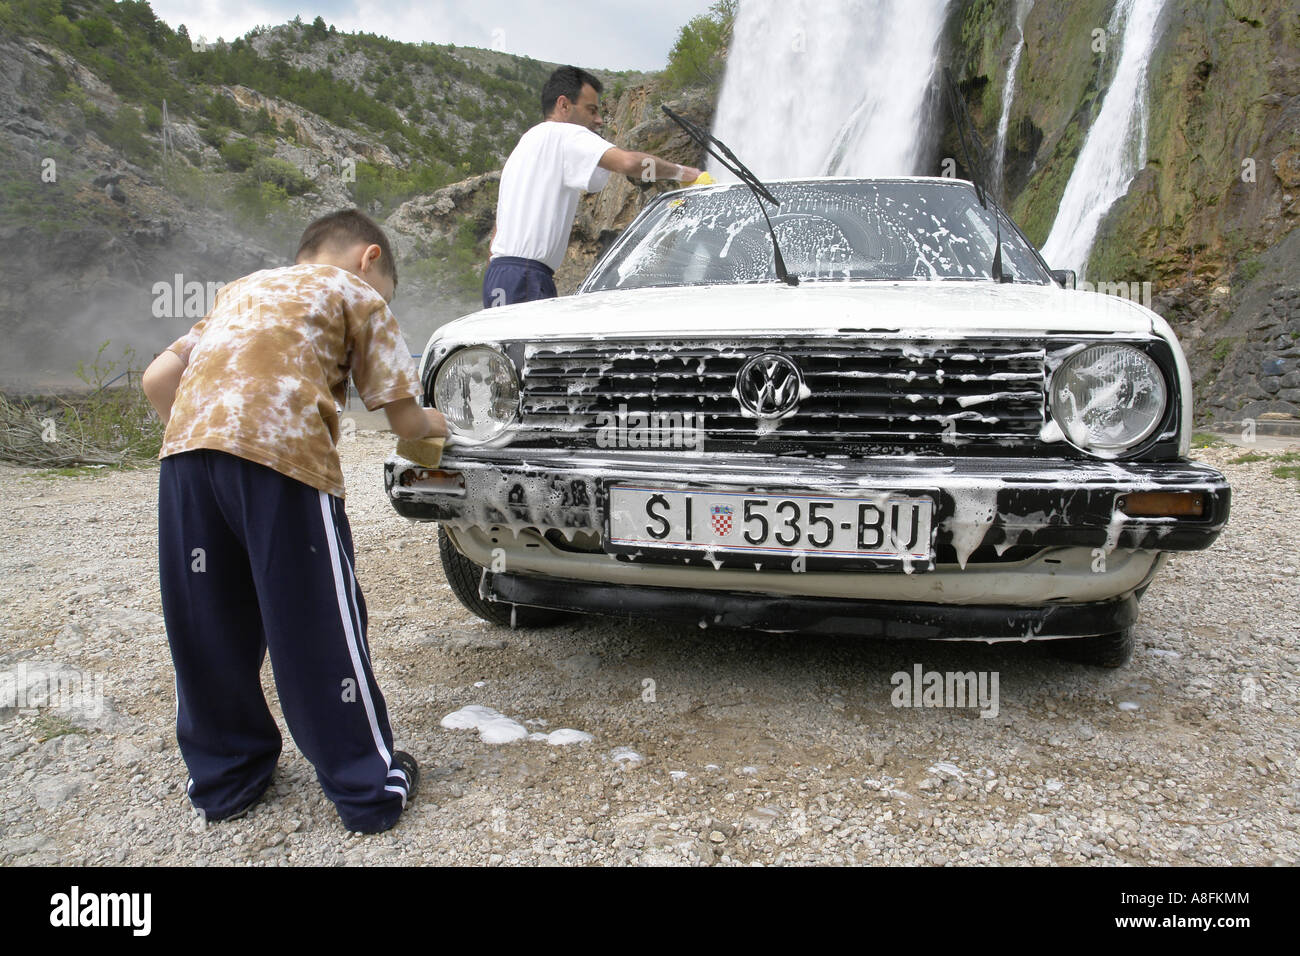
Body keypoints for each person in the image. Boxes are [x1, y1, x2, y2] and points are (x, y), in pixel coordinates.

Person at [141, 209, 447, 834]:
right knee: (314, 620)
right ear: (370, 259)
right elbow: (404, 422)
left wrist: (211, 439)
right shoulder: (356, 292)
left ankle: (227, 780)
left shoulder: (243, 288)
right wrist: (449, 437)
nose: (383, 294)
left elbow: (158, 377)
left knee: (208, 622)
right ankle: (368, 788)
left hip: (186, 460)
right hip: (282, 458)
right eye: (388, 283)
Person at [483, 64, 702, 308]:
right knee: (524, 346)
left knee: (512, 345)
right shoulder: (565, 134)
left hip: (503, 274)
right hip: (525, 276)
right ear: (564, 105)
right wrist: (682, 173)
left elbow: (496, 233)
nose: (599, 120)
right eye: (591, 110)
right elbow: (629, 163)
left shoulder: (526, 144)